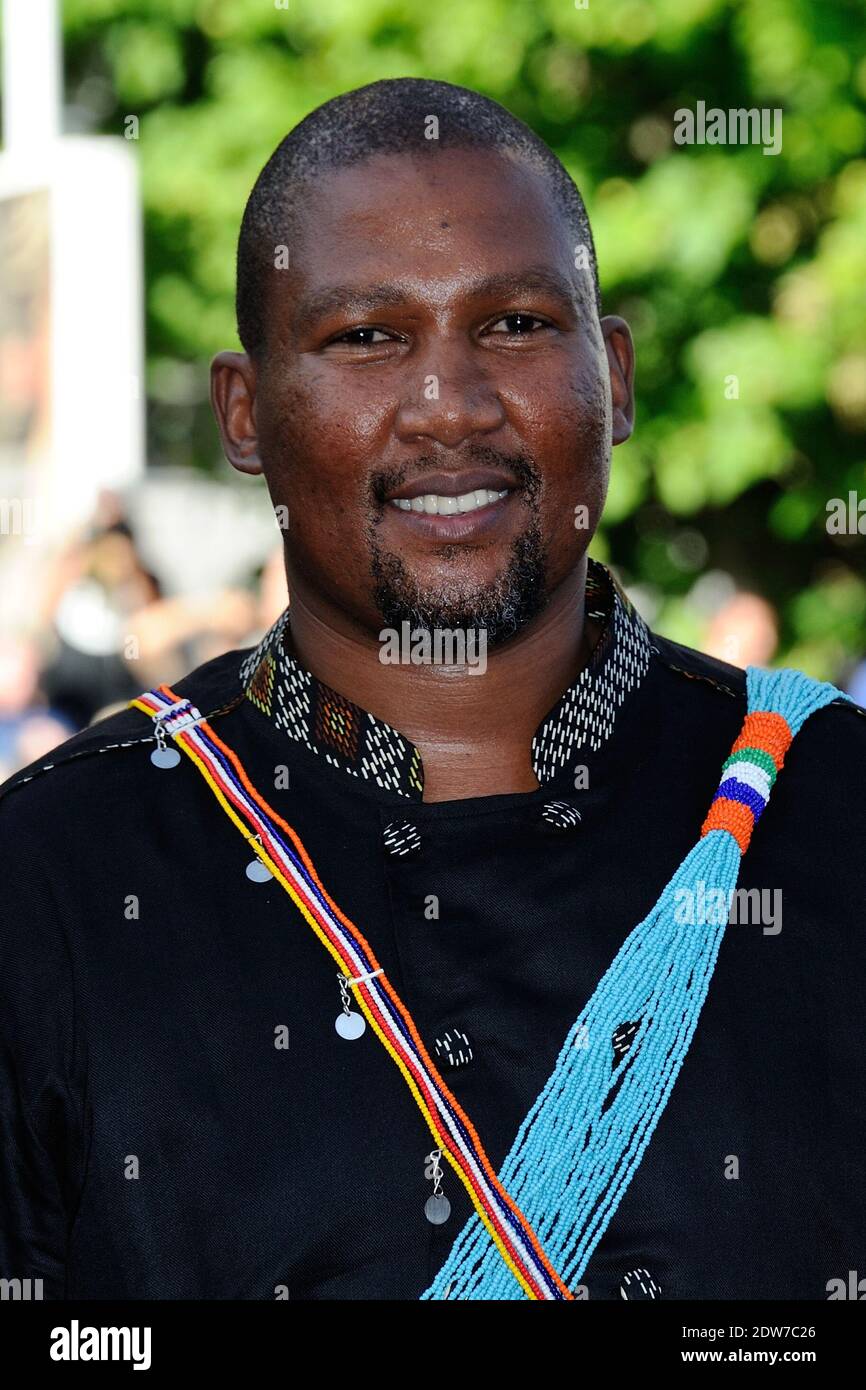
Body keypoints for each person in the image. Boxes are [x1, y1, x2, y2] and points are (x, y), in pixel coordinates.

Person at [1, 79, 864, 1303]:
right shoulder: (55, 882)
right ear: (245, 416)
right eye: (366, 337)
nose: (449, 404)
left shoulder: (823, 806)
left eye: (513, 325)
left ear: (612, 379)